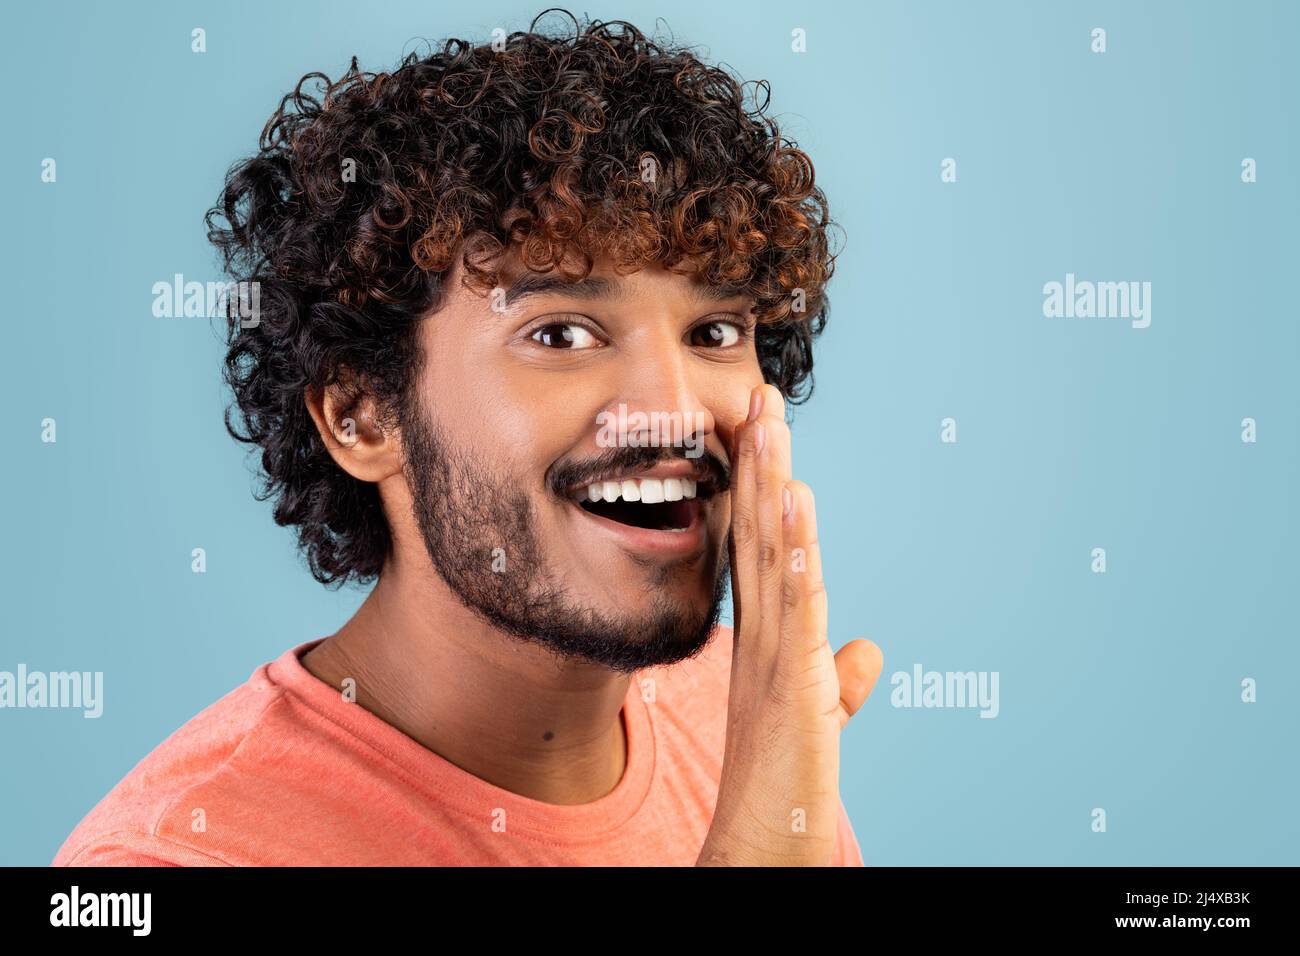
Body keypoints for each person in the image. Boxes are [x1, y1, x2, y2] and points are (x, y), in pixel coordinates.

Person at [53, 10, 883, 867]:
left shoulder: (748, 711)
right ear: (361, 414)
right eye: (561, 334)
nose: (672, 411)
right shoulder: (175, 859)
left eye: (713, 333)